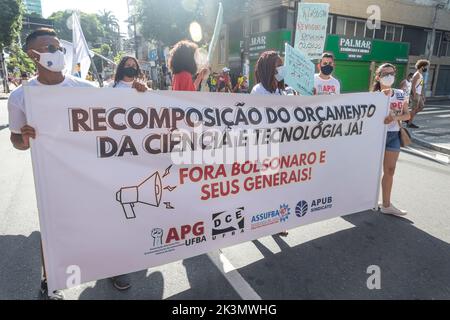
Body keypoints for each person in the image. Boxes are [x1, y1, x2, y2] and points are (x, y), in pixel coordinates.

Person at [7, 28, 97, 300]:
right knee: (52, 232)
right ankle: (51, 281)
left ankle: (113, 268)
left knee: (101, 222)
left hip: (92, 175)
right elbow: (16, 142)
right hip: (52, 179)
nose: (56, 53)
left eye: (57, 47)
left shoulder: (87, 89)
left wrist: (140, 92)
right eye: (48, 48)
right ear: (31, 55)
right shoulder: (20, 97)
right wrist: (25, 138)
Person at [250, 51, 288, 237]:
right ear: (269, 68)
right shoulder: (258, 91)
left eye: (282, 65)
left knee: (278, 186)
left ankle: (277, 222)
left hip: (281, 145)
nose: (281, 69)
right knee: (264, 186)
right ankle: (259, 222)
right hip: (264, 146)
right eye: (278, 65)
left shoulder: (283, 90)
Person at [372, 63, 410, 216]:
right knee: (371, 171)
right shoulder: (372, 96)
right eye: (385, 73)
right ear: (378, 76)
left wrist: (395, 117)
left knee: (390, 170)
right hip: (375, 137)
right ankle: (365, 201)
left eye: (392, 73)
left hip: (394, 135)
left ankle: (387, 205)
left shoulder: (401, 94)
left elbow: (407, 115)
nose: (389, 76)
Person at [407, 59, 429, 128]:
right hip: (415, 94)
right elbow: (413, 85)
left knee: (421, 107)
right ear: (422, 66)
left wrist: (422, 95)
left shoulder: (421, 75)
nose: (426, 68)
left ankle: (408, 118)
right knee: (414, 108)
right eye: (425, 66)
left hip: (419, 94)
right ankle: (409, 123)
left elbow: (420, 85)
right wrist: (414, 95)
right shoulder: (417, 74)